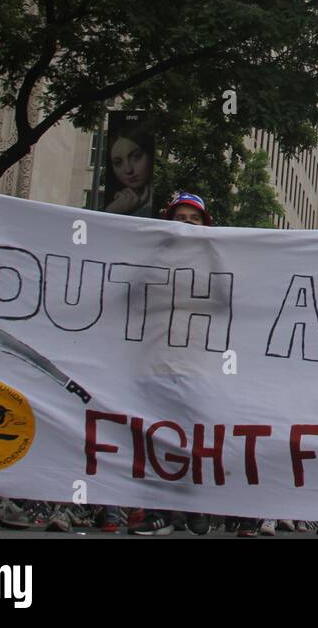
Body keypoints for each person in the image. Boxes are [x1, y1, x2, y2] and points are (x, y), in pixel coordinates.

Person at [126, 191, 218, 536]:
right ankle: (158, 511)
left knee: (193, 438)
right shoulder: (150, 259)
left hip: (197, 366)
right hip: (154, 363)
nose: (187, 225)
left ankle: (193, 505)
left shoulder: (217, 262)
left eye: (194, 220)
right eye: (181, 219)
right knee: (155, 437)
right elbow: (131, 296)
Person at [103, 124, 154, 217]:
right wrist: (111, 211)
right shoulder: (117, 204)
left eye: (136, 156)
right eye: (118, 163)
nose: (128, 170)